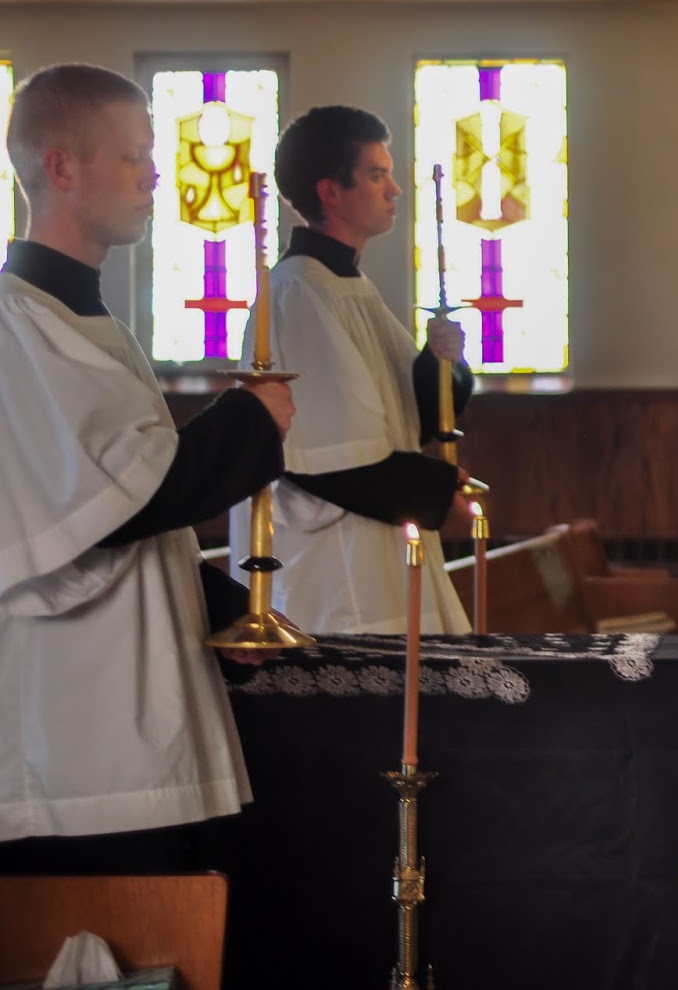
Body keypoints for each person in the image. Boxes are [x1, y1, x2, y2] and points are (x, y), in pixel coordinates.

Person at [0, 63, 293, 870]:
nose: (155, 175)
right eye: (134, 156)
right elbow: (114, 503)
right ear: (61, 168)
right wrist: (249, 422)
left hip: (139, 700)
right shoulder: (16, 326)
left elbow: (116, 500)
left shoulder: (88, 320)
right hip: (74, 738)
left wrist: (218, 605)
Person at [233, 105, 473, 634]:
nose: (395, 190)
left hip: (378, 542)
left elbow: (419, 412)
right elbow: (323, 457)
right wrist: (438, 491)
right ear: (330, 192)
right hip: (335, 562)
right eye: (376, 175)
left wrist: (444, 365)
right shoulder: (298, 293)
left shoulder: (348, 287)